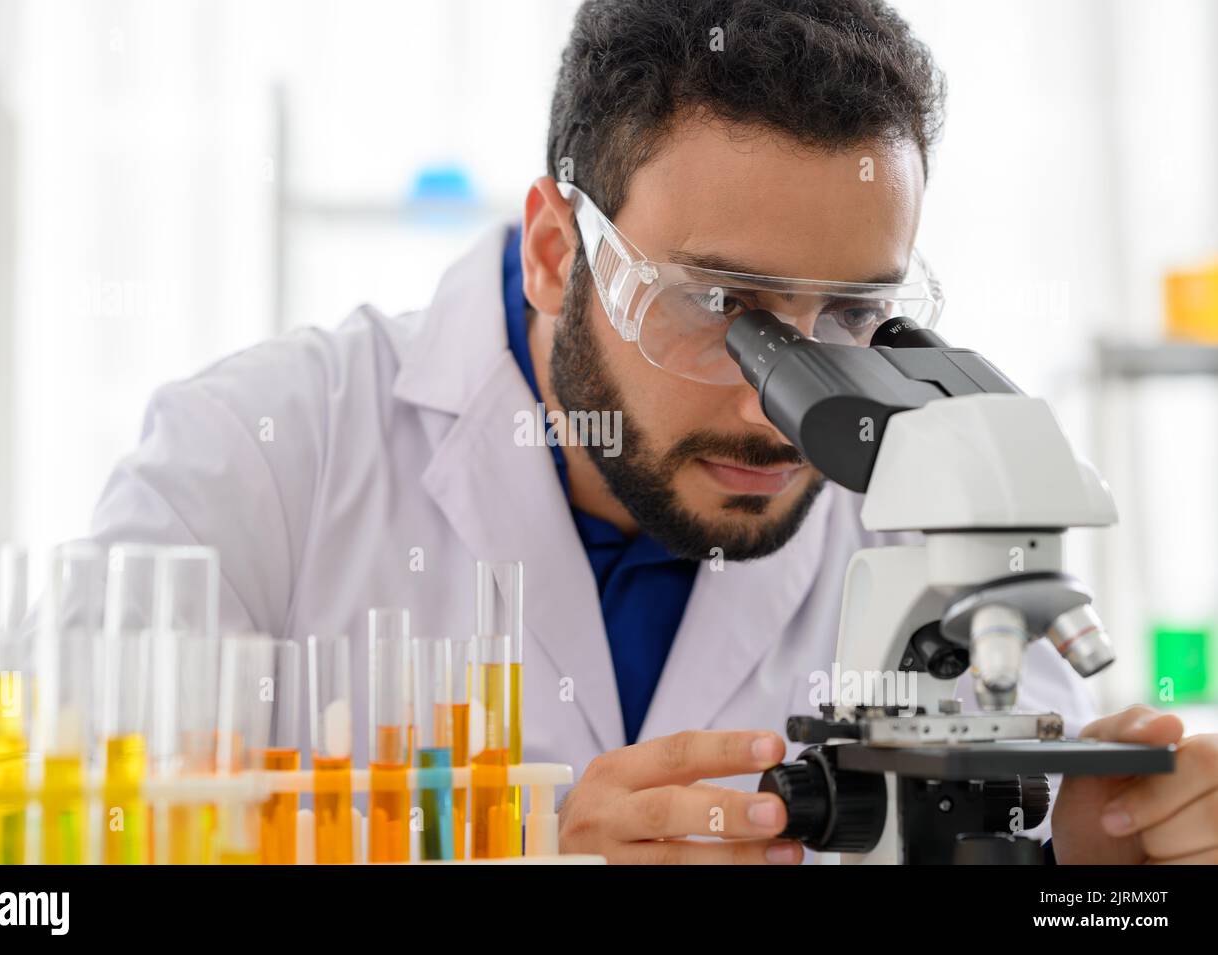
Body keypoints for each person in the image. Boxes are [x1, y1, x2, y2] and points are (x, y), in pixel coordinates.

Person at [89, 0, 1217, 864]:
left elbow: (1028, 785)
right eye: (718, 306)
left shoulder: (928, 495)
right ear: (552, 252)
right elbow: (43, 872)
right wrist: (511, 851)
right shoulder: (251, 464)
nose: (778, 406)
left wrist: (1089, 869)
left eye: (852, 314)